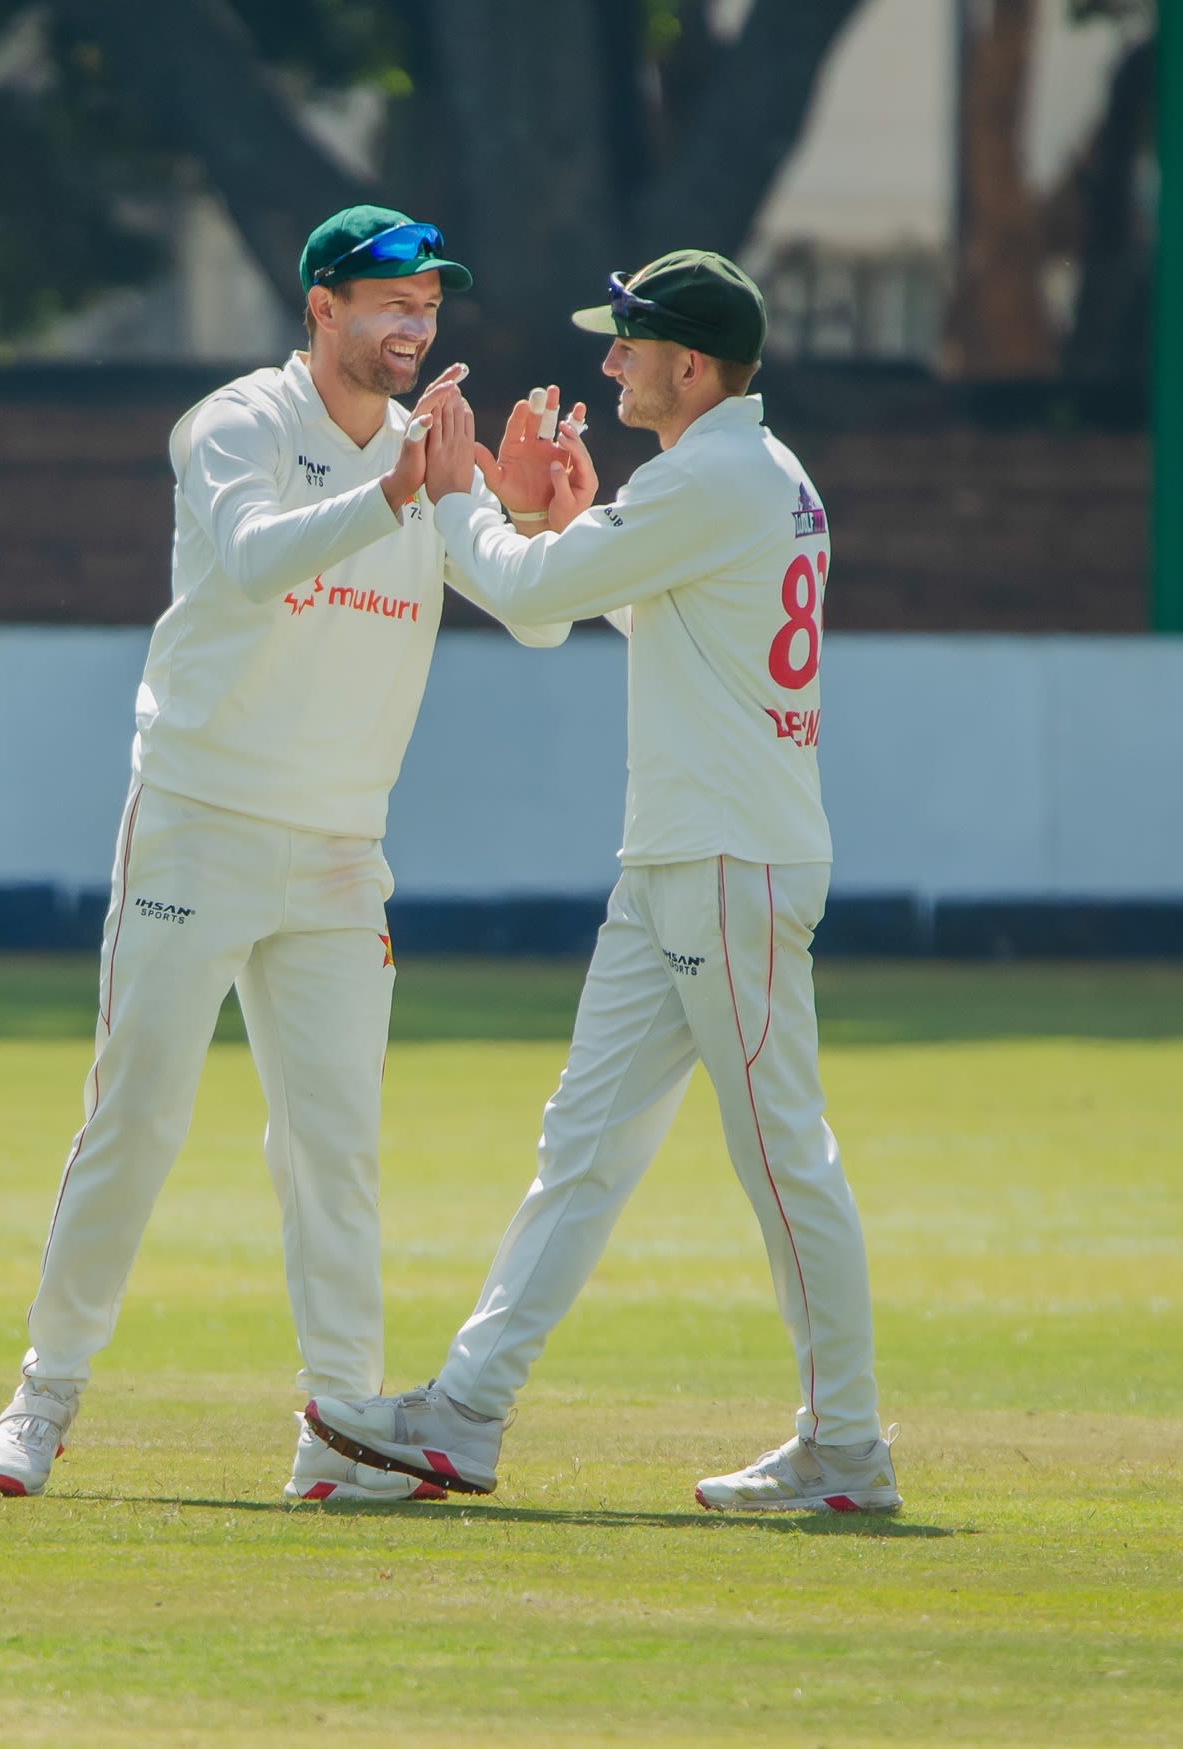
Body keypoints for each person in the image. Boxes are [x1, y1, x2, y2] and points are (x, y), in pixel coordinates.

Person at [0, 205, 573, 1503]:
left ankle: (340, 1432)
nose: (414, 325)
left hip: (343, 846)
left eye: (430, 305)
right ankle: (45, 1392)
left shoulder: (428, 454)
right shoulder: (237, 422)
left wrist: (535, 518)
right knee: (137, 1114)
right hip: (200, 818)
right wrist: (398, 491)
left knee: (332, 1143)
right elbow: (248, 561)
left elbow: (535, 623)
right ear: (322, 308)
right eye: (391, 301)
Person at [305, 249, 902, 1514]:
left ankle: (845, 1448)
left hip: (726, 860)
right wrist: (556, 524)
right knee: (580, 1151)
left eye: (630, 345)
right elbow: (652, 611)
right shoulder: (751, 471)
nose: (609, 361)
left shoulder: (711, 477)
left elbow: (531, 591)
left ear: (692, 366)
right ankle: (464, 1415)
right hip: (682, 861)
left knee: (782, 1159)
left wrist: (458, 498)